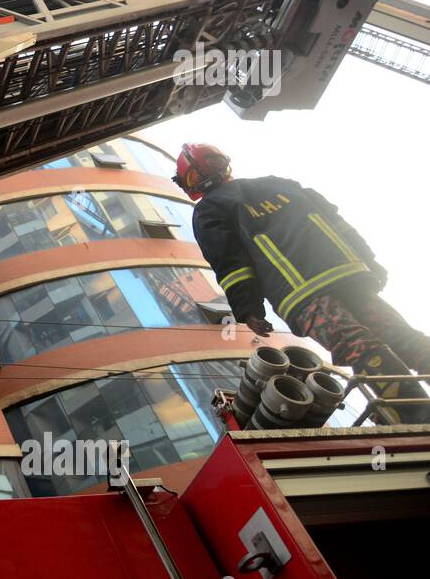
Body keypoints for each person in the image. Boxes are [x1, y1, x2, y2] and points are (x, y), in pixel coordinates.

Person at [174, 143, 430, 422]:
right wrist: (369, 261)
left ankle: (416, 416)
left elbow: (230, 261)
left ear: (193, 180)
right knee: (400, 334)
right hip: (348, 273)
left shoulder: (209, 209)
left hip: (302, 293)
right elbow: (336, 221)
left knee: (358, 345)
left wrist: (248, 309)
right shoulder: (279, 184)